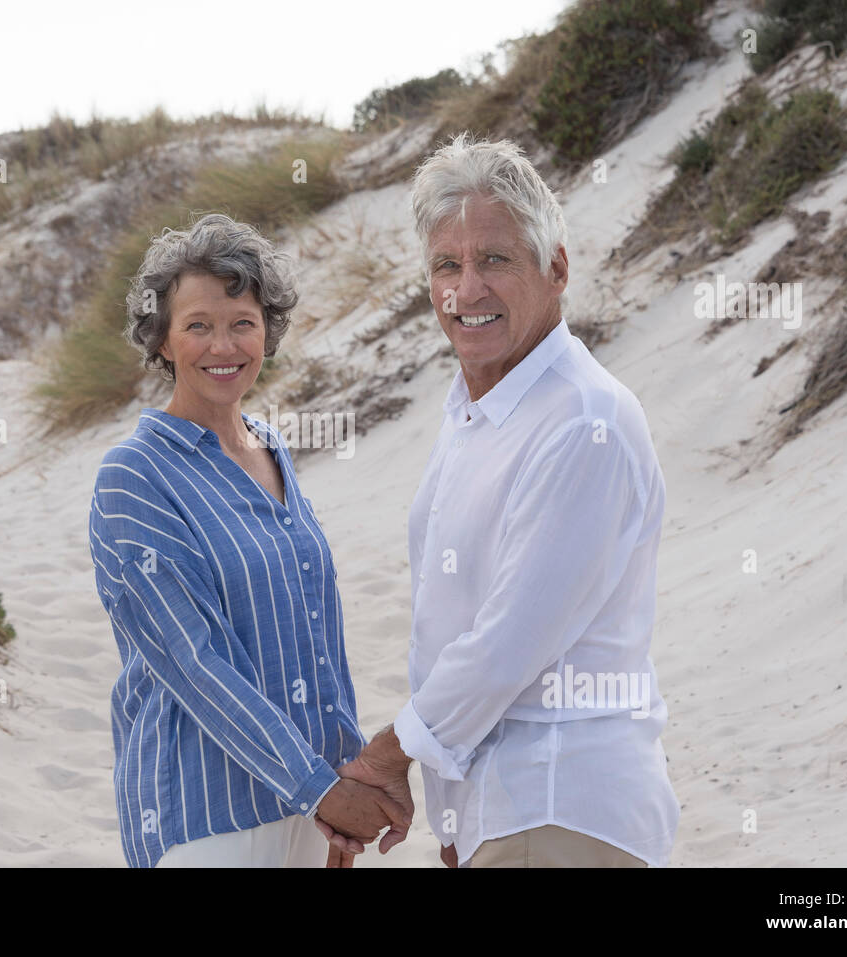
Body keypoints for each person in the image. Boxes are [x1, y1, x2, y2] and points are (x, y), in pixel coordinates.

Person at [317, 133, 681, 868]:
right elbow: (454, 624)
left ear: (556, 268)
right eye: (447, 265)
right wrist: (456, 820)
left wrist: (389, 757)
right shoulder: (472, 413)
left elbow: (509, 640)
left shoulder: (585, 421)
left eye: (495, 260)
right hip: (506, 816)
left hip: (561, 807)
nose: (467, 288)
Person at [89, 213, 409, 867]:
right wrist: (321, 789)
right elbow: (195, 662)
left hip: (306, 810)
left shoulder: (274, 448)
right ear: (162, 340)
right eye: (197, 325)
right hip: (209, 822)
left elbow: (317, 639)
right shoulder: (136, 474)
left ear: (268, 330)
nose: (223, 345)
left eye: (243, 322)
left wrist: (337, 785)